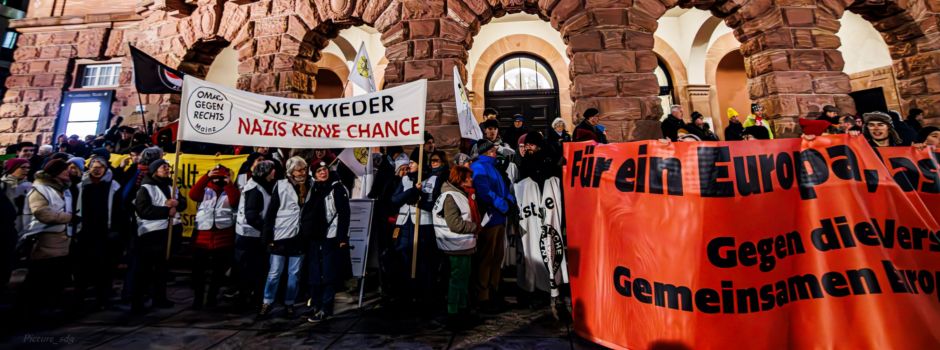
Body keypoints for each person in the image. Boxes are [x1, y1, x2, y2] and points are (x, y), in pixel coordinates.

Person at [17, 159, 75, 319]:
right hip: (44, 236)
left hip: (61, 237)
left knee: (54, 276)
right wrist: (68, 217)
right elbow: (42, 212)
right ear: (55, 173)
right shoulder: (40, 189)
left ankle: (47, 308)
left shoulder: (63, 189)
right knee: (40, 275)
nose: (68, 172)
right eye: (64, 170)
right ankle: (27, 311)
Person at [132, 159, 186, 313]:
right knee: (145, 270)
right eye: (164, 167)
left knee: (162, 268)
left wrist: (178, 203)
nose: (167, 169)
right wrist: (164, 211)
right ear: (155, 170)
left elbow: (182, 203)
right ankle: (138, 302)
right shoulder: (146, 188)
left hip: (168, 231)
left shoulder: (172, 185)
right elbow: (142, 210)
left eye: (168, 167)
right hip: (151, 233)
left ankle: (160, 297)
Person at [260, 157, 310, 318]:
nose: (303, 173)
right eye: (299, 170)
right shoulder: (281, 185)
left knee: (294, 274)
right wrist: (268, 237)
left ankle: (290, 303)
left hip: (299, 237)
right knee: (275, 272)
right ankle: (267, 302)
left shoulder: (310, 185)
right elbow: (271, 212)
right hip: (280, 236)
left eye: (304, 169)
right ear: (291, 171)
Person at [470, 140, 516, 313]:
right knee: (486, 258)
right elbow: (484, 192)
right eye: (493, 150)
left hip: (499, 218)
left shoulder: (494, 167)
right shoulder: (479, 167)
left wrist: (510, 202)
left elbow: (504, 189)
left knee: (497, 258)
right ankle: (483, 296)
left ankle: (494, 291)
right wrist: (502, 204)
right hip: (489, 219)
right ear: (487, 152)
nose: (496, 152)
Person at [433, 166, 480, 329]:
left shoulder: (456, 194)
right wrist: (475, 227)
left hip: (461, 244)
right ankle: (454, 313)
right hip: (456, 245)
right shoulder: (451, 196)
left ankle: (461, 310)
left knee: (462, 279)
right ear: (460, 179)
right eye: (468, 177)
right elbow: (454, 224)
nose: (471, 179)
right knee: (457, 280)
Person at [73, 156, 123, 310]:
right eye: (94, 166)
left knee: (104, 267)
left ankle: (103, 298)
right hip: (84, 231)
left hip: (104, 231)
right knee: (82, 267)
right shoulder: (80, 186)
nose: (97, 169)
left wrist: (116, 229)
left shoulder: (113, 185)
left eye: (100, 167)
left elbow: (118, 209)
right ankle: (79, 298)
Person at [305, 161, 351, 323]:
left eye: (324, 169)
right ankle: (316, 304)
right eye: (319, 170)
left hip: (331, 237)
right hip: (315, 236)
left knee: (329, 273)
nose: (323, 172)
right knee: (315, 272)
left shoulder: (337, 188)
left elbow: (344, 215)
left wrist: (342, 238)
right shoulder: (313, 189)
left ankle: (326, 307)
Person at [188, 165, 239, 310]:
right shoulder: (205, 188)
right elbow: (193, 195)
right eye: (217, 176)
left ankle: (211, 299)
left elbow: (235, 201)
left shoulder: (232, 190)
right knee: (198, 272)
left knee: (218, 272)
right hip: (202, 236)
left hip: (223, 236)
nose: (219, 179)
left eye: (222, 176)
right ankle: (197, 299)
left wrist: (228, 184)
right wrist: (207, 176)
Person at [232, 160, 276, 309]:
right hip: (249, 236)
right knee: (248, 270)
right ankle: (245, 300)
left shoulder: (261, 186)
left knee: (255, 269)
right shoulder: (255, 189)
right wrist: (266, 229)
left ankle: (251, 298)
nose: (274, 172)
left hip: (253, 234)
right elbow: (251, 216)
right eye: (272, 170)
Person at [2, 158, 31, 286]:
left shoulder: (27, 185)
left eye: (28, 168)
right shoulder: (4, 183)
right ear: (13, 168)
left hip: (21, 223)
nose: (26, 170)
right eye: (22, 167)